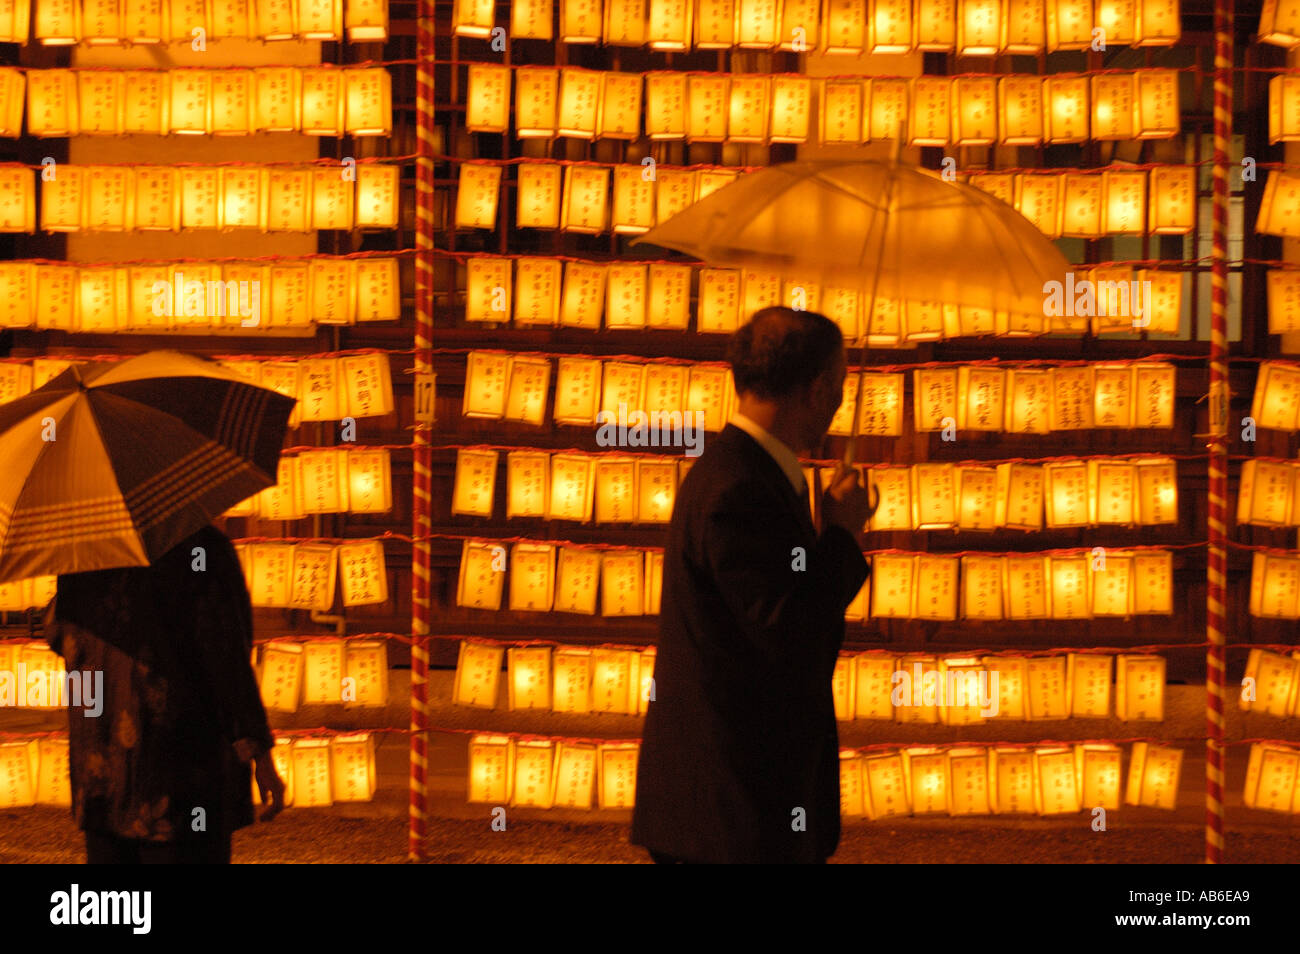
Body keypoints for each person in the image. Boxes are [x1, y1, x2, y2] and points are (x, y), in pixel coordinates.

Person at [630, 306, 875, 864]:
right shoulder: (739, 488)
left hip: (732, 805)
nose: (839, 405)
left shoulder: (746, 472)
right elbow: (788, 631)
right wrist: (840, 537)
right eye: (838, 387)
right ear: (816, 390)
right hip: (731, 807)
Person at [42, 522, 285, 864]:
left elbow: (61, 634)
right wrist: (256, 747)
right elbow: (224, 651)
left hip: (100, 770)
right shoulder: (200, 548)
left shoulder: (83, 550)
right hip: (180, 774)